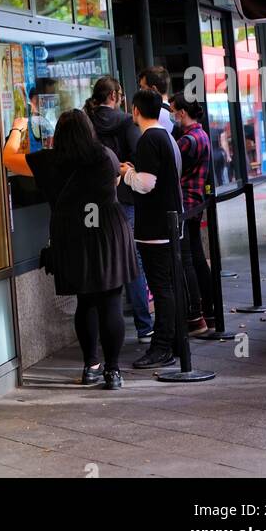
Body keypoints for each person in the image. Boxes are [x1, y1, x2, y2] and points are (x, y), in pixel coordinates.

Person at [3, 108, 138, 390]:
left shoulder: (48, 160)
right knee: (110, 302)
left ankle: (91, 366)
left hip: (73, 235)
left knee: (85, 301)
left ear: (60, 134)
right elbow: (115, 182)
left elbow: (8, 158)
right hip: (107, 232)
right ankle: (113, 372)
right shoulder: (105, 156)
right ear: (89, 130)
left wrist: (17, 128)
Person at [85, 76, 154, 345]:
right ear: (114, 96)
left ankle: (101, 327)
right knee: (131, 258)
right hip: (123, 198)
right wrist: (127, 170)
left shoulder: (86, 120)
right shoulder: (126, 122)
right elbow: (141, 155)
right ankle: (144, 326)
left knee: (98, 259)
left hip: (92, 201)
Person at [120, 88, 183, 369]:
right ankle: (174, 342)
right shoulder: (165, 137)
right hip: (168, 224)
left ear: (136, 110)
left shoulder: (148, 140)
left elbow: (146, 184)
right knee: (167, 286)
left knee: (161, 288)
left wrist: (126, 173)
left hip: (155, 228)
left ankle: (162, 347)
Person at [171, 91, 214, 335]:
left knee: (187, 259)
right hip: (195, 203)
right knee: (197, 257)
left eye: (172, 110)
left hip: (185, 204)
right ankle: (210, 311)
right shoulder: (201, 134)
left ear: (181, 112)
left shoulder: (187, 140)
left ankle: (195, 317)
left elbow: (169, 164)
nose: (170, 115)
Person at [138, 65, 175, 134]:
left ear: (153, 89)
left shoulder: (154, 115)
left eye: (143, 87)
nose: (140, 91)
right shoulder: (174, 111)